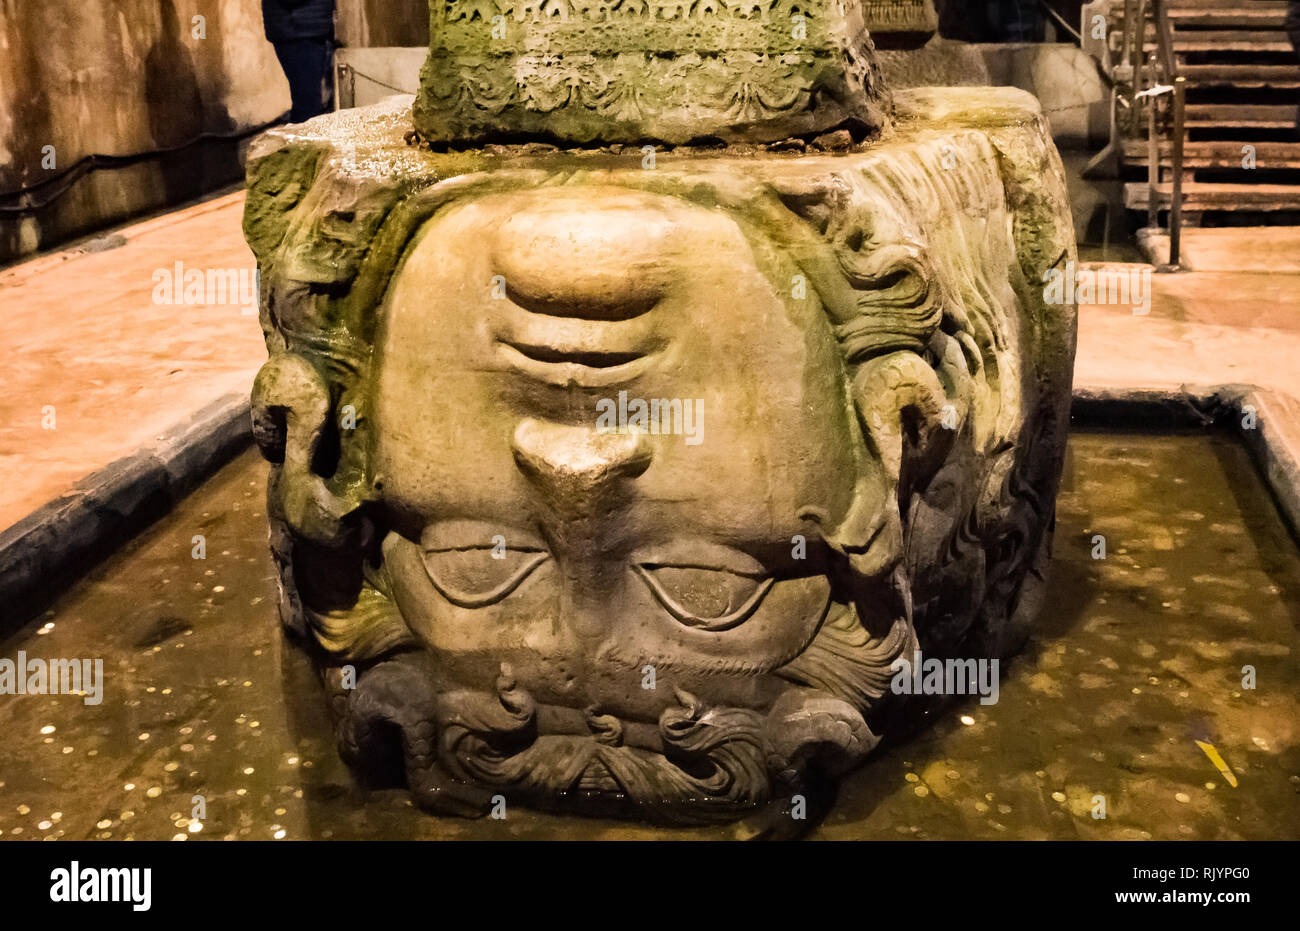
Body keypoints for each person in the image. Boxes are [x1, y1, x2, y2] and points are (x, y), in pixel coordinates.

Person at [262, 0, 336, 124]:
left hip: (304, 29)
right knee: (308, 106)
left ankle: (306, 138)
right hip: (299, 31)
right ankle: (306, 141)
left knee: (308, 102)